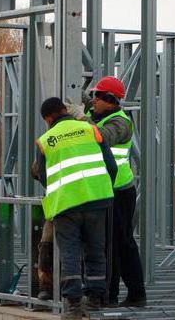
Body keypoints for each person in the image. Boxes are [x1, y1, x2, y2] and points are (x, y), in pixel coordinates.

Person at [33, 97, 117, 319]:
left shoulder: (45, 140)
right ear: (64, 110)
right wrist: (102, 188)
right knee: (95, 250)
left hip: (67, 204)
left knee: (69, 252)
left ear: (48, 118)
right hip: (97, 199)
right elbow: (111, 165)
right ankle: (96, 300)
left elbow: (43, 176)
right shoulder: (90, 130)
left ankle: (73, 305)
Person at [66, 76, 147, 307]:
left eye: (97, 96)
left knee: (116, 244)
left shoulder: (120, 123)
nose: (93, 100)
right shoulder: (99, 115)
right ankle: (130, 294)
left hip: (119, 192)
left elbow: (99, 137)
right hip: (105, 191)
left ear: (109, 100)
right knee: (114, 243)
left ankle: (113, 296)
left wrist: (80, 116)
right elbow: (87, 108)